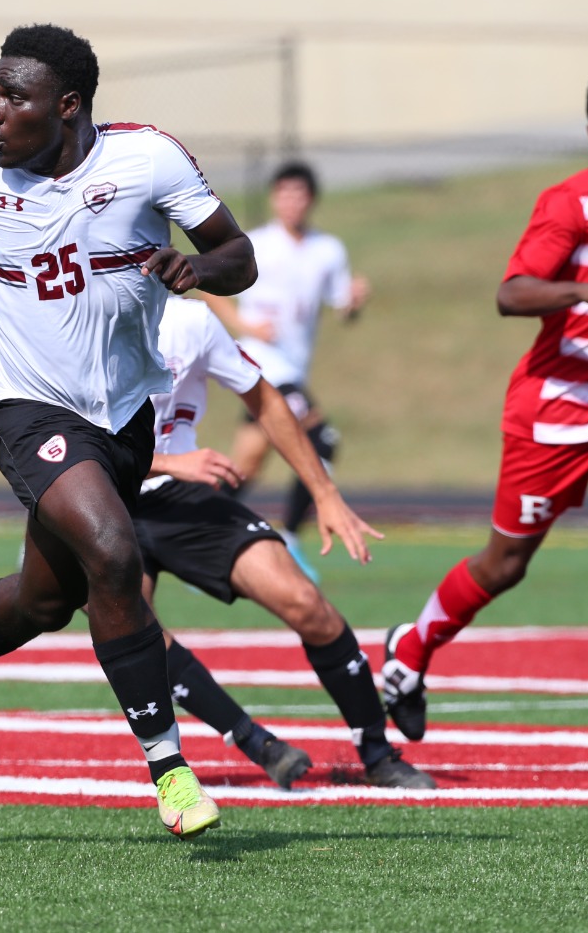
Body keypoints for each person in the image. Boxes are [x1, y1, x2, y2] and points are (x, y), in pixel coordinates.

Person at [0, 23, 257, 839]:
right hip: (28, 407)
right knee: (115, 557)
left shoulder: (146, 159)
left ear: (67, 106)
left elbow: (239, 255)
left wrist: (198, 269)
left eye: (11, 98)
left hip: (125, 413)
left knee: (43, 603)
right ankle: (171, 771)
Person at [380, 66, 588, 768]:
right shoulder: (570, 202)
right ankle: (410, 650)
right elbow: (512, 294)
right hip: (554, 413)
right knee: (505, 564)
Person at [133, 295, 435, 789]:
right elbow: (60, 437)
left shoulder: (191, 320)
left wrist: (325, 492)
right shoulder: (70, 316)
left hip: (178, 496)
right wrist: (166, 462)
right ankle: (255, 741)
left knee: (305, 602)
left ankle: (378, 754)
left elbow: (267, 400)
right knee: (135, 636)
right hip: (97, 498)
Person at [195, 161, 368, 580]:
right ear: (275, 198)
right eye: (284, 194)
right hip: (258, 360)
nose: (292, 202)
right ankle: (290, 538)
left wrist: (354, 304)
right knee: (321, 438)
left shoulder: (328, 250)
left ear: (311, 200)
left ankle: (199, 540)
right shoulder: (256, 244)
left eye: (300, 195)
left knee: (246, 465)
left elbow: (340, 305)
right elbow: (204, 280)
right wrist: (244, 325)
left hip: (294, 367)